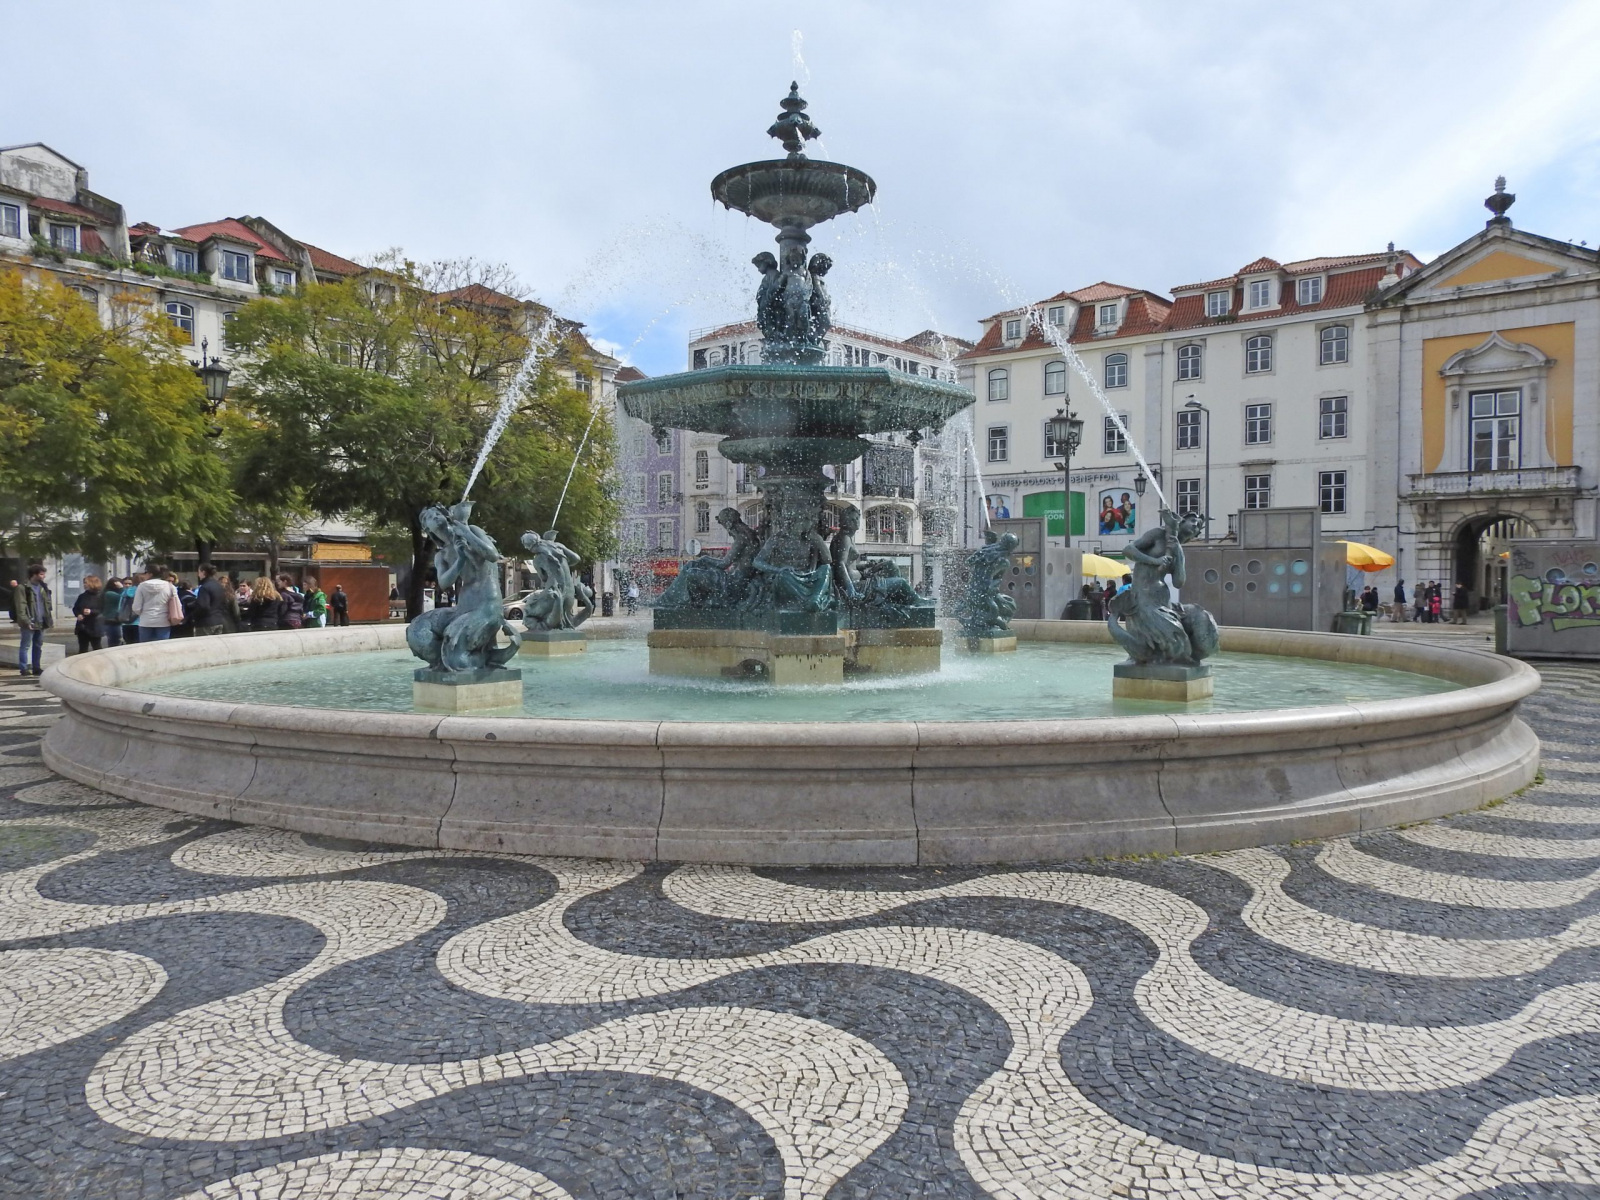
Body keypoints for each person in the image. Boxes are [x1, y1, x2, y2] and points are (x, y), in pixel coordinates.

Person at [12, 565, 52, 676]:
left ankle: (36, 667)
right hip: (30, 621)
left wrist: (48, 619)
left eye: (43, 574)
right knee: (25, 645)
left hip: (41, 621)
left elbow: (47, 604)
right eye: (41, 574)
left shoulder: (43, 587)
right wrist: (26, 621)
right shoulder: (23, 588)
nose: (43, 576)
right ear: (34, 574)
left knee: (38, 645)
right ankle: (24, 668)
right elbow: (21, 606)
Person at [131, 568, 179, 642]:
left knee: (145, 647)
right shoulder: (170, 586)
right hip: (163, 621)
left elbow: (136, 607)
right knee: (162, 647)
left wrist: (143, 613)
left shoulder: (141, 586)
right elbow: (177, 604)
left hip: (146, 621)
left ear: (150, 574)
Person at [192, 564, 228, 636]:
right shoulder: (219, 586)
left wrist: (194, 615)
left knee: (203, 645)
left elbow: (203, 606)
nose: (198, 575)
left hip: (205, 622)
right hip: (219, 620)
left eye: (199, 572)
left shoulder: (204, 587)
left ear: (204, 573)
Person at [72, 574, 104, 654]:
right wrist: (78, 614)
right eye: (84, 583)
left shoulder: (100, 596)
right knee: (82, 649)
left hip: (95, 625)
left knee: (97, 648)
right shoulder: (82, 596)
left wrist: (91, 611)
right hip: (82, 626)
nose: (84, 585)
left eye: (86, 583)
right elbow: (75, 608)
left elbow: (103, 609)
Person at [99, 578, 125, 647]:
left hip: (117, 620)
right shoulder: (109, 593)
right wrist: (122, 588)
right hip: (112, 621)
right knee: (115, 642)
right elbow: (122, 598)